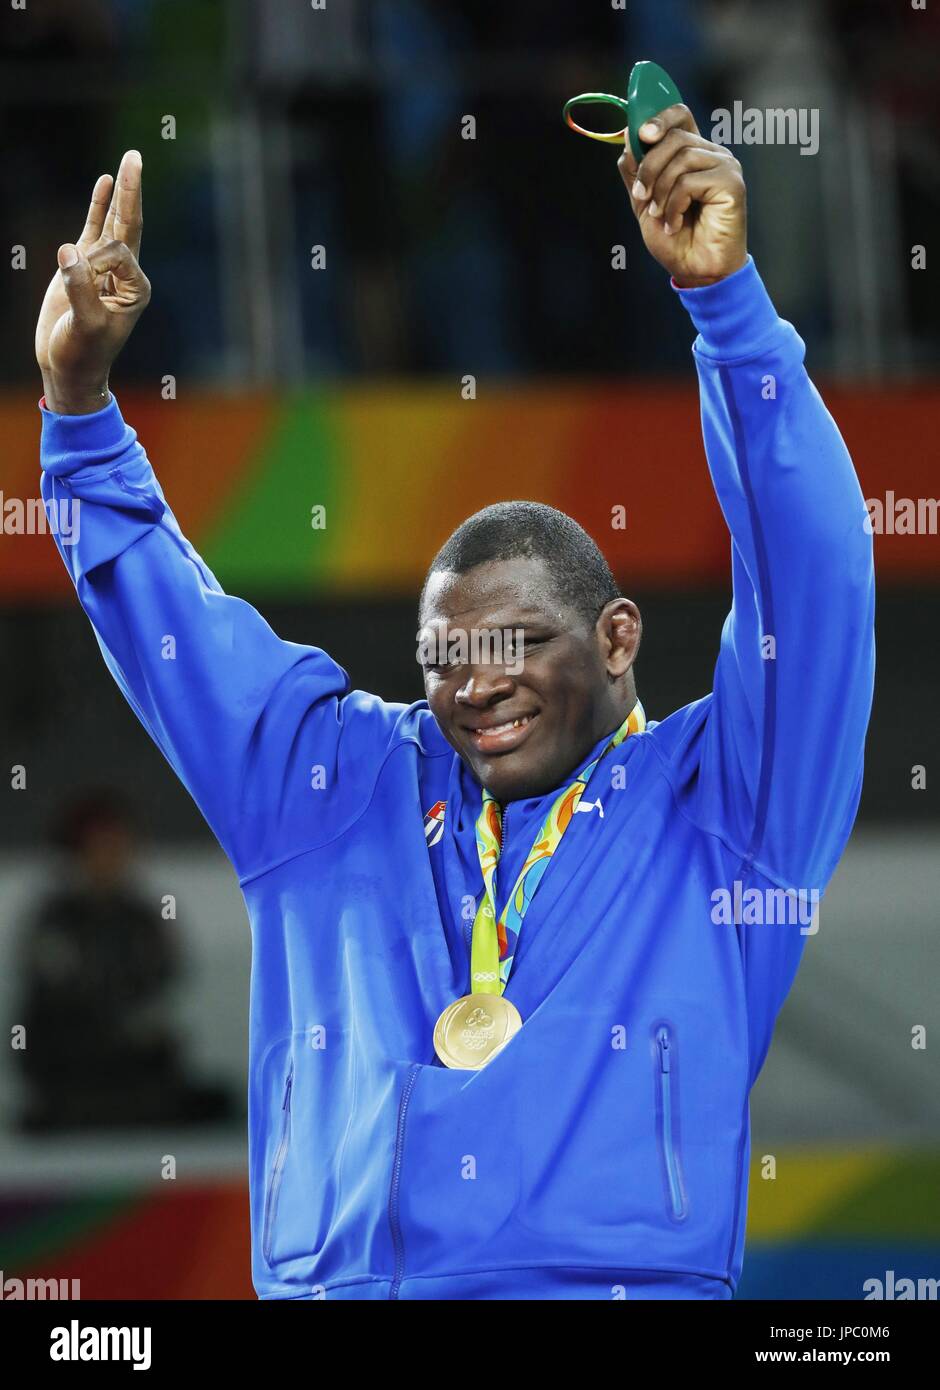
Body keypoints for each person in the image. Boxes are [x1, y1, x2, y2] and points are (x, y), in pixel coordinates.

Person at [33, 110, 874, 1298]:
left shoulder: (729, 807)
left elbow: (818, 576)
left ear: (617, 636)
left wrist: (728, 308)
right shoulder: (334, 783)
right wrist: (77, 410)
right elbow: (177, 628)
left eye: (515, 642)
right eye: (443, 654)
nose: (473, 682)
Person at [17, 790, 232, 1132]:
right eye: (100, 847)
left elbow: (161, 987)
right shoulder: (55, 920)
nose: (111, 858)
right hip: (71, 1077)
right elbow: (61, 1006)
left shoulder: (143, 918)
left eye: (118, 847)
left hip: (136, 1075)